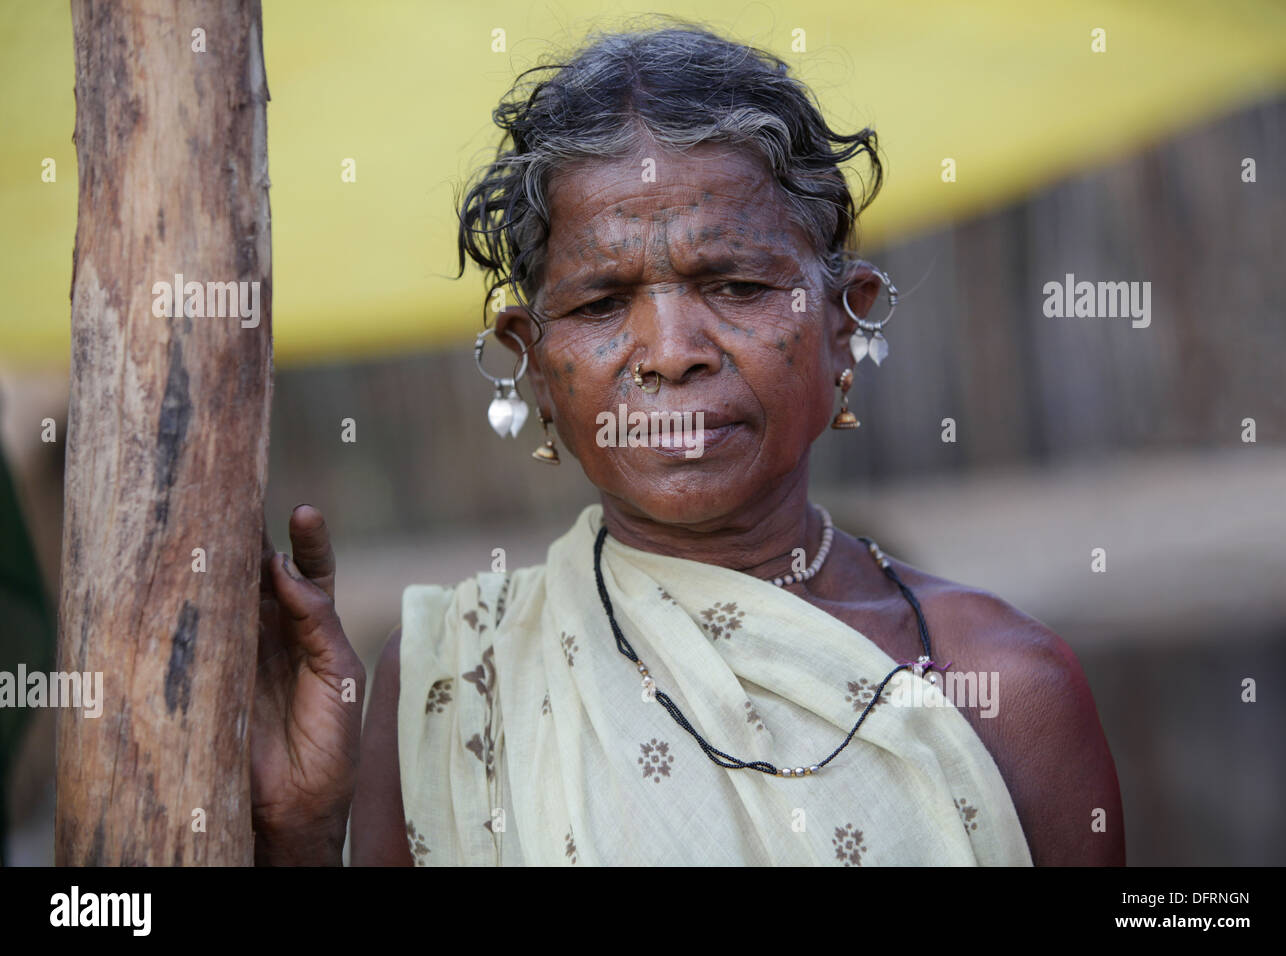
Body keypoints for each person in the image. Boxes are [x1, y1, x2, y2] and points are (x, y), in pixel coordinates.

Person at [250, 23, 1124, 866]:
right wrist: (300, 843)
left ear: (843, 322)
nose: (671, 353)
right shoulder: (459, 680)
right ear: (534, 360)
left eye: (737, 285)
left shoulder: (1006, 689)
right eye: (599, 305)